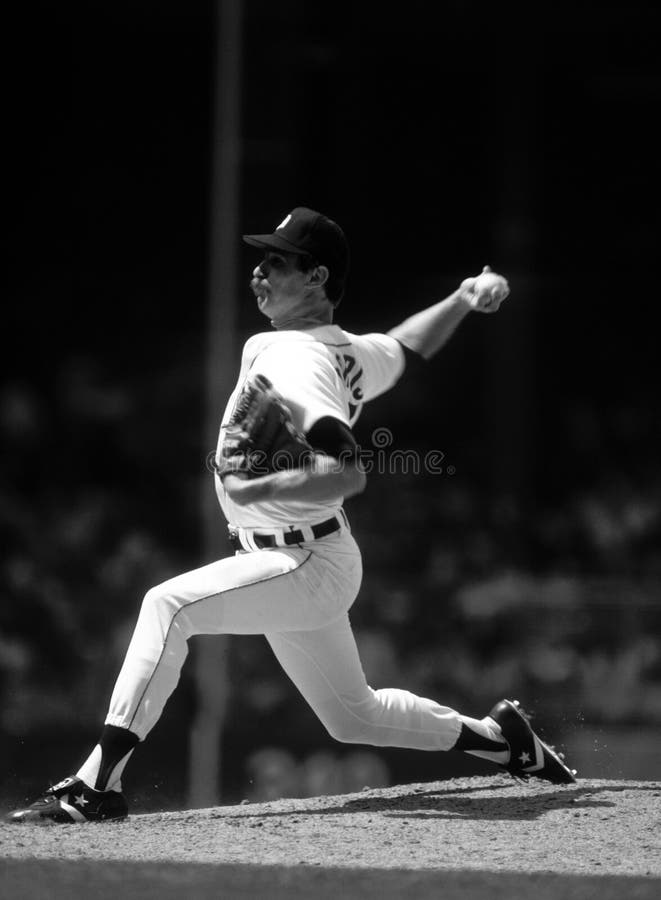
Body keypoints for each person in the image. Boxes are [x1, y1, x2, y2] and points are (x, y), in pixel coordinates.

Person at [7, 207, 575, 824]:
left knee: (165, 606)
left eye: (275, 262)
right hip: (299, 555)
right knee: (353, 714)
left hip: (301, 561)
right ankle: (504, 740)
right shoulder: (341, 350)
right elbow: (408, 343)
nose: (257, 271)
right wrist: (463, 299)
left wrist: (255, 491)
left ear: (316, 277)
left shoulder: (297, 362)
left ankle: (97, 784)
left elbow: (349, 470)